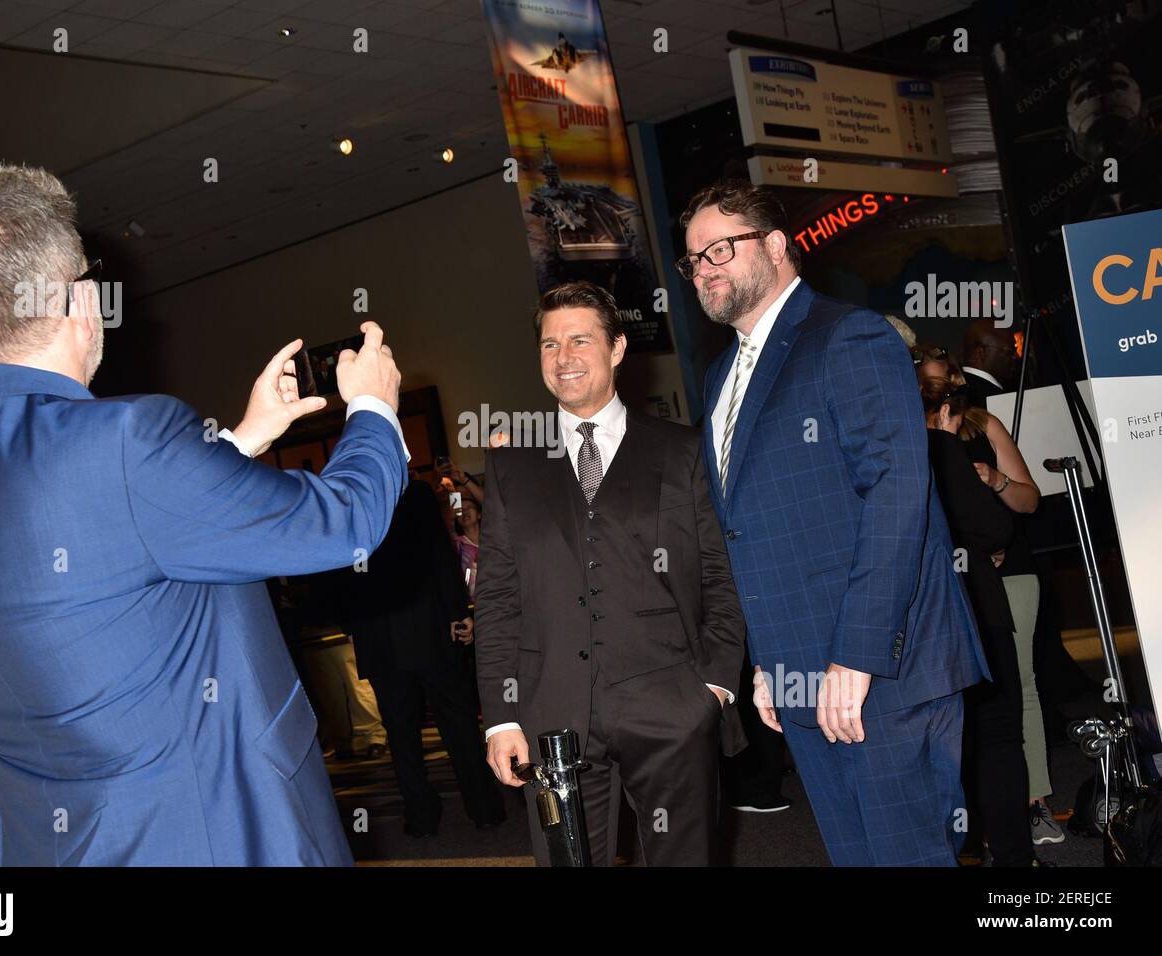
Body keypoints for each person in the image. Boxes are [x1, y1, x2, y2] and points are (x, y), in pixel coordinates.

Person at [0, 165, 408, 866]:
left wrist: (238, 443)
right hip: (204, 831)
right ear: (74, 295)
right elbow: (346, 522)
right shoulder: (129, 439)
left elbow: (95, 548)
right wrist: (374, 409)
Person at [681, 178, 987, 866]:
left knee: (908, 855)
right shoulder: (721, 374)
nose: (704, 268)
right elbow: (750, 529)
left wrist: (858, 652)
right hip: (800, 675)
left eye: (720, 249)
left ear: (779, 246)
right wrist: (766, 662)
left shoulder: (849, 335)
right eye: (693, 258)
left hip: (883, 668)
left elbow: (896, 496)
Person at [477, 280, 747, 866]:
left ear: (618, 348)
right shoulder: (510, 463)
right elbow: (497, 600)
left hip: (670, 704)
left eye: (579, 340)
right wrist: (500, 716)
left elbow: (721, 575)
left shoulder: (682, 451)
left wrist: (715, 687)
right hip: (551, 719)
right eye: (550, 345)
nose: (564, 358)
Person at [914, 347, 1063, 844]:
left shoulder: (984, 427)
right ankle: (977, 817)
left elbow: (1029, 499)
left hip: (1008, 577)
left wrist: (995, 481)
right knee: (961, 700)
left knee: (1017, 686)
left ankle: (1034, 802)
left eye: (944, 385)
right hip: (951, 580)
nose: (939, 396)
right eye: (927, 387)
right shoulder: (906, 438)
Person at [336, 480, 505, 837]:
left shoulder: (348, 491)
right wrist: (459, 611)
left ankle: (421, 816)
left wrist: (352, 624)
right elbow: (439, 555)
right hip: (427, 625)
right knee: (457, 722)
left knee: (401, 732)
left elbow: (339, 564)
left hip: (377, 631)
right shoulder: (414, 492)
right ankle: (484, 807)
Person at [959, 320, 1019, 408]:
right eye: (1010, 351)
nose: (1016, 357)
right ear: (981, 353)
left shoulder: (958, 390)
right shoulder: (991, 397)